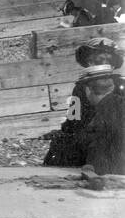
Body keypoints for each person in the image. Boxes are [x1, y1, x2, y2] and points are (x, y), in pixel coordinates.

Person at [44, 38, 125, 169]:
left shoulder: (121, 86)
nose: (103, 64)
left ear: (113, 65)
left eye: (108, 61)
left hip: (111, 140)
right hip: (85, 138)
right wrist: (63, 133)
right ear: (89, 62)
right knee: (59, 145)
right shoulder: (80, 88)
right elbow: (72, 119)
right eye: (98, 61)